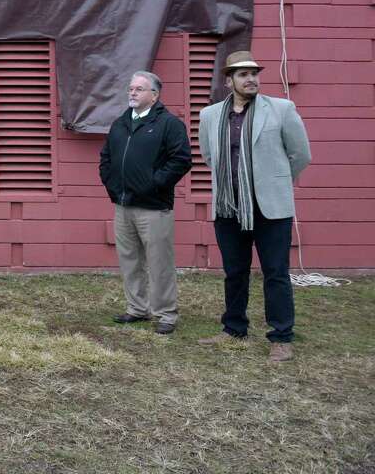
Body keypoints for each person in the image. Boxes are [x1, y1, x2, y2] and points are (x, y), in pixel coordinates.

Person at [197, 51, 311, 363]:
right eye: (243, 74)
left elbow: (300, 154)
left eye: (254, 73)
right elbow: (209, 156)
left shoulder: (281, 109)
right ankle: (234, 328)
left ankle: (281, 336)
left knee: (275, 272)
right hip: (228, 206)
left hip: (270, 207)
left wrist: (274, 181)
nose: (251, 79)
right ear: (228, 81)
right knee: (234, 271)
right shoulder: (210, 116)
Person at [98, 70, 192, 335]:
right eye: (130, 88)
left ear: (154, 95)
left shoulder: (169, 124)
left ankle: (166, 314)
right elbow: (106, 158)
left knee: (159, 263)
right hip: (123, 206)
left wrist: (154, 184)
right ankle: (137, 308)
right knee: (129, 260)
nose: (132, 93)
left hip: (154, 207)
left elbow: (181, 160)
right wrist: (111, 184)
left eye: (139, 89)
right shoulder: (120, 123)